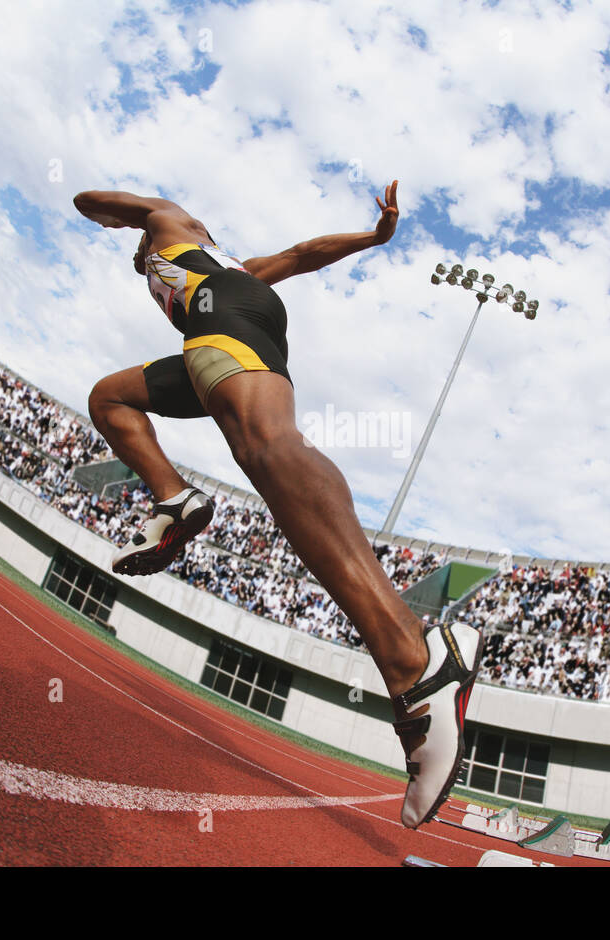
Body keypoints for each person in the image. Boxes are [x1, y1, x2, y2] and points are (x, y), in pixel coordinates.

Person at [73, 181, 481, 828]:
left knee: (267, 447)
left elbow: (87, 200)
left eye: (140, 253)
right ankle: (175, 500)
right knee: (110, 398)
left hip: (221, 317)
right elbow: (302, 254)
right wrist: (371, 237)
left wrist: (124, 221)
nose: (139, 263)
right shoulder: (235, 265)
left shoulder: (170, 225)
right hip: (218, 324)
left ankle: (415, 658)